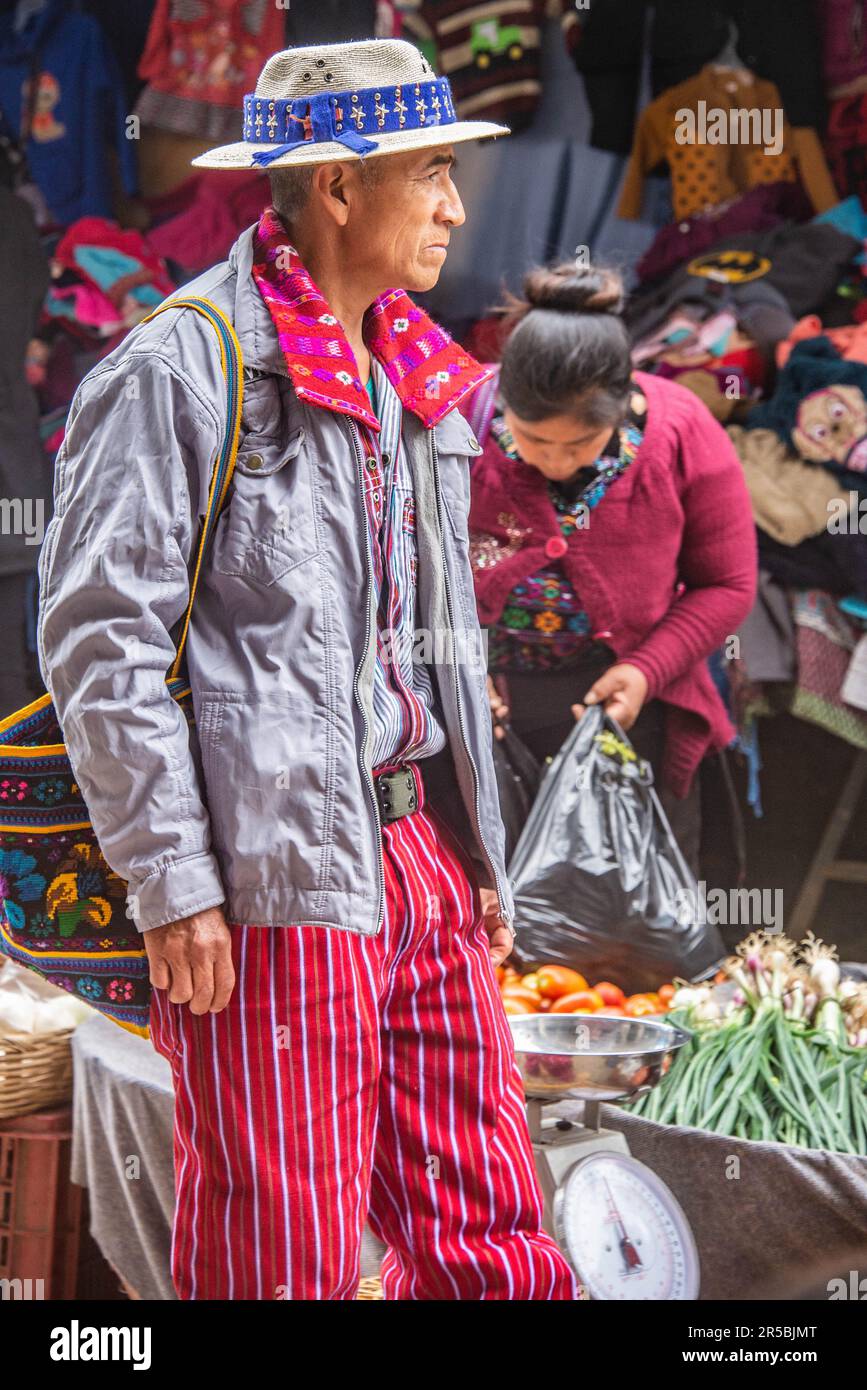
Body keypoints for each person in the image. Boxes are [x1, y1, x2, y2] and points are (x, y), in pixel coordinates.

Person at [36, 40, 578, 1301]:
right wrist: (172, 882)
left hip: (411, 850)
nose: (455, 206)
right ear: (337, 189)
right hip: (270, 877)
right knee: (283, 1249)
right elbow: (99, 639)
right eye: (432, 172)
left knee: (487, 1223)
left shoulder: (406, 371)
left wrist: (473, 855)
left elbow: (431, 636)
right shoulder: (184, 367)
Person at [467, 263, 758, 873]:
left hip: (628, 710)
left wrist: (645, 672)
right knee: (490, 919)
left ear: (621, 405)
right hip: (481, 721)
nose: (550, 462)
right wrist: (452, 673)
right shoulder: (458, 421)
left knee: (628, 922)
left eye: (577, 446)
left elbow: (726, 583)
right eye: (531, 440)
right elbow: (399, 566)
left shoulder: (682, 432)